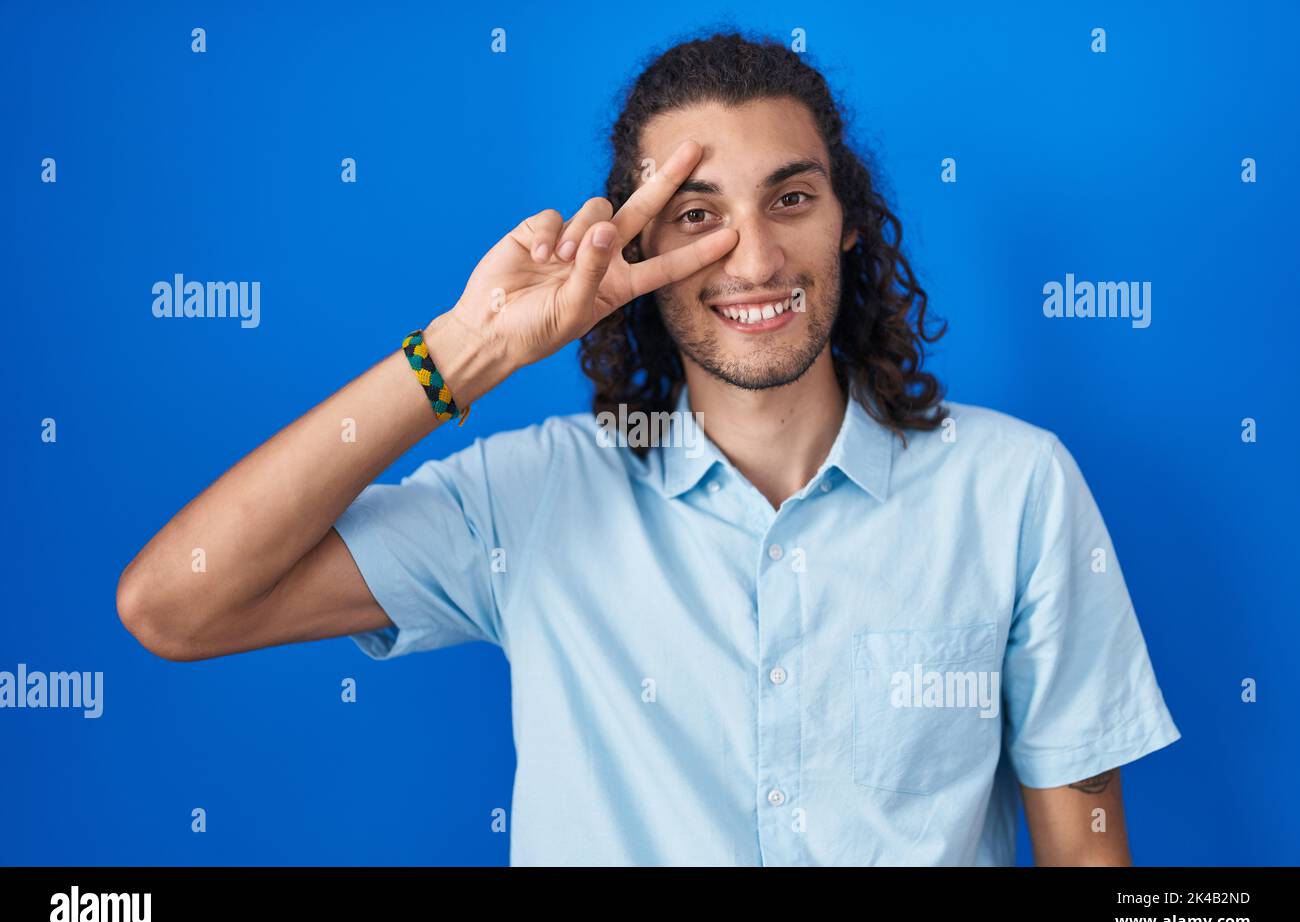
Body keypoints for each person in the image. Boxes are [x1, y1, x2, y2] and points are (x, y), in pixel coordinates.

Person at [117, 32, 1181, 866]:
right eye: (695, 215)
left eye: (791, 199)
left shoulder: (1015, 488)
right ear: (633, 249)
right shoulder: (525, 496)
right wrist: (466, 349)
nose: (754, 259)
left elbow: (1090, 856)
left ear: (848, 223)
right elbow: (176, 602)